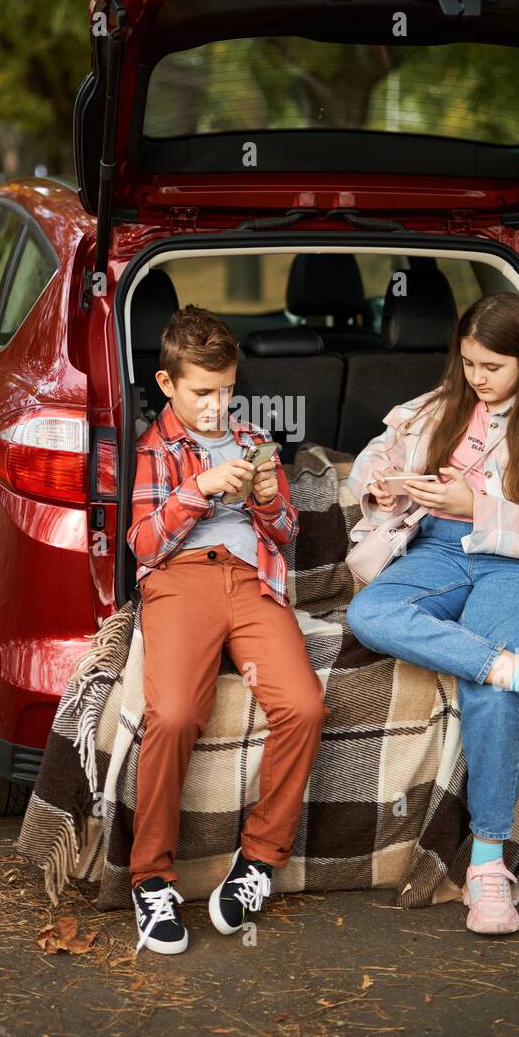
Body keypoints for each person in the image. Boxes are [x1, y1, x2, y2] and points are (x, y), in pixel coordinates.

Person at [345, 292, 519, 936]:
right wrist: (382, 481)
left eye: (492, 367)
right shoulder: (440, 405)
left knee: (488, 694)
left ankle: (488, 868)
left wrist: (476, 501)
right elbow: (376, 455)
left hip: (515, 565)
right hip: (434, 548)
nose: (477, 379)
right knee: (370, 614)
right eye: (468, 363)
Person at [126, 304, 328, 955]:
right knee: (178, 711)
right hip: (179, 578)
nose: (218, 406)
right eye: (202, 393)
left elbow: (287, 533)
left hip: (250, 581)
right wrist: (200, 488)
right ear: (168, 386)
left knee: (302, 704)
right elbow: (142, 542)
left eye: (227, 390)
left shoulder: (253, 439)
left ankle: (259, 860)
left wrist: (268, 495)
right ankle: (150, 876)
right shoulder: (156, 446)